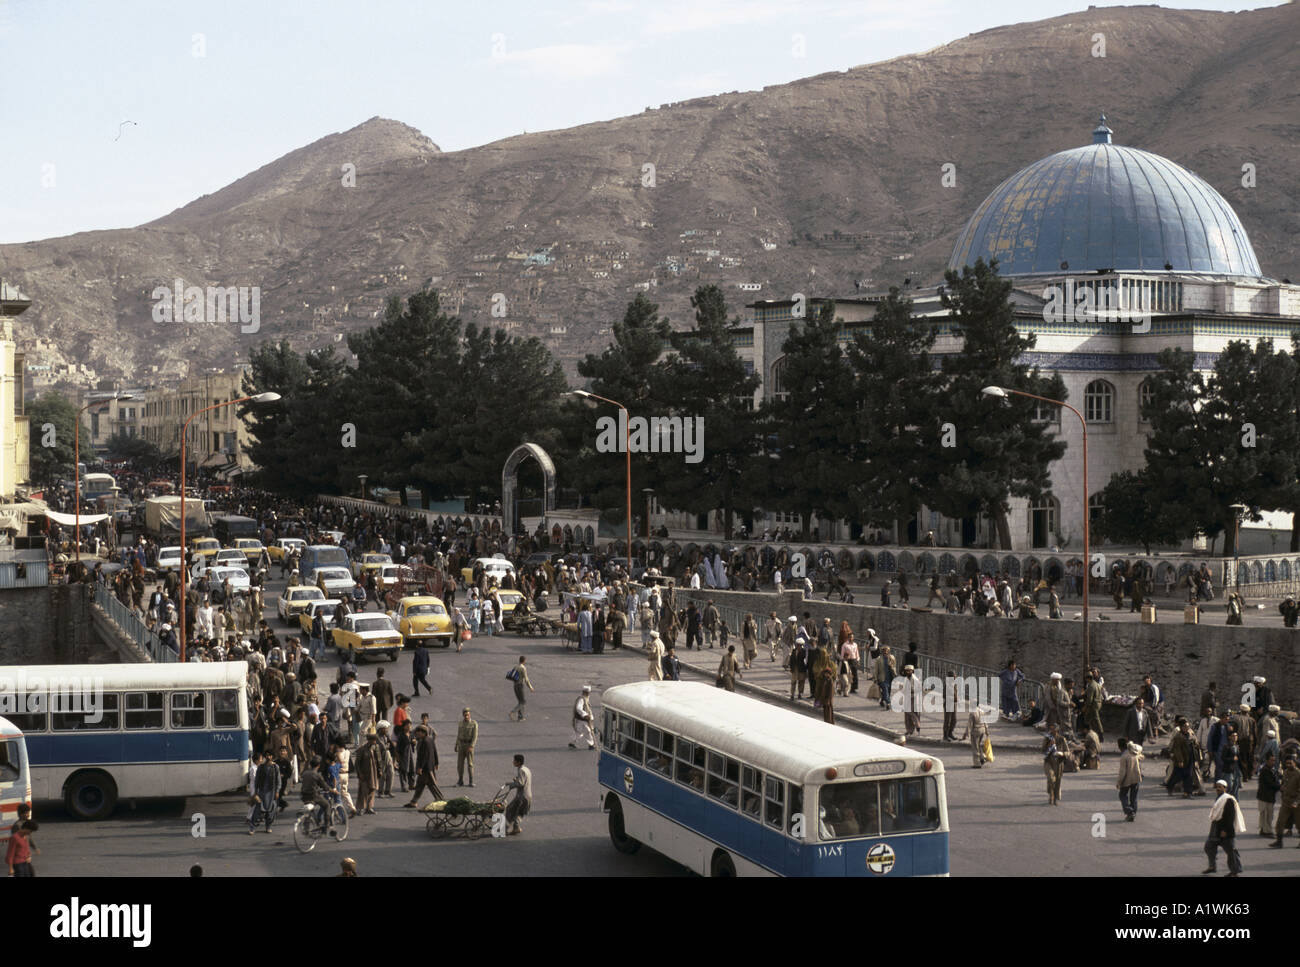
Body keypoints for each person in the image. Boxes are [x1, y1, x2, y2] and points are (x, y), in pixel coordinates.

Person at [1203, 779, 1245, 876]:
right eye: (1217, 787)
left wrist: (1225, 830)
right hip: (1216, 829)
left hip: (1225, 831)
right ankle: (1212, 866)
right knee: (1209, 846)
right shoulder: (1219, 798)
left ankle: (1235, 871)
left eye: (1220, 787)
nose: (1218, 788)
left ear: (1225, 788)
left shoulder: (1228, 799)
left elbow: (1229, 817)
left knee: (1231, 852)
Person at [403, 724, 443, 807]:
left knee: (431, 784)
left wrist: (420, 767)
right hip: (428, 766)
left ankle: (440, 799)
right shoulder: (429, 739)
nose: (417, 734)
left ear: (423, 733)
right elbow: (435, 751)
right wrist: (436, 763)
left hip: (426, 768)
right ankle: (413, 802)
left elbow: (425, 756)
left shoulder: (425, 741)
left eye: (418, 732)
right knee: (420, 785)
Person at [1269, 757, 1300, 849]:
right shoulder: (1285, 772)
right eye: (1287, 763)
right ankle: (1279, 841)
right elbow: (1283, 784)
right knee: (1280, 822)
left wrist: (1297, 801)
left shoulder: (1298, 774)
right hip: (1286, 801)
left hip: (1296, 802)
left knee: (1299, 823)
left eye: (1290, 763)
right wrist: (1282, 789)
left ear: (1295, 763)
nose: (1288, 765)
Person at [248, 750, 280, 834]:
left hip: (272, 792)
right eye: (267, 755)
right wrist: (255, 793)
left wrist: (277, 791)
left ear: (272, 756)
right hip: (261, 792)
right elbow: (257, 781)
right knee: (258, 811)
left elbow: (278, 781)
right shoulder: (261, 767)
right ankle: (252, 828)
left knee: (271, 811)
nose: (268, 757)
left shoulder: (275, 767)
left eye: (270, 755)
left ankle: (268, 826)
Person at [354, 728, 383, 815]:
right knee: (363, 791)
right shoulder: (362, 750)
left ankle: (369, 807)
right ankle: (361, 808)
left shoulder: (376, 748)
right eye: (374, 740)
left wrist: (380, 770)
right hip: (364, 774)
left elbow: (379, 761)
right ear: (370, 740)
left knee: (372, 790)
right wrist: (360, 774)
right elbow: (357, 763)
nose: (375, 742)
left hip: (374, 773)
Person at [1167, 719, 1196, 798]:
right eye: (1185, 726)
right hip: (1182, 759)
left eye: (1188, 726)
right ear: (1180, 727)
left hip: (1190, 758)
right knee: (1177, 775)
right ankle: (1170, 786)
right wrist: (1180, 760)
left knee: (1189, 775)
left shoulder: (1190, 734)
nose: (1187, 728)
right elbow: (1177, 750)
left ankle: (1187, 792)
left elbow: (1194, 744)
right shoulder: (1178, 737)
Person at [505, 754, 533, 835]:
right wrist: (515, 780)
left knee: (510, 810)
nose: (513, 762)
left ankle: (512, 826)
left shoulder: (521, 770)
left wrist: (511, 785)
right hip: (527, 795)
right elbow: (523, 780)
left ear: (518, 762)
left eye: (514, 761)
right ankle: (516, 828)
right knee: (519, 812)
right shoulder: (526, 769)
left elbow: (521, 783)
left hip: (522, 796)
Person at [1116, 742, 1143, 822]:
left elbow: (1122, 772)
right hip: (1136, 778)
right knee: (1133, 797)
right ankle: (1133, 813)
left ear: (1120, 748)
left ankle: (1129, 811)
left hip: (1127, 780)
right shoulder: (1135, 753)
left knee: (1122, 795)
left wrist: (1119, 783)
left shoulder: (1124, 757)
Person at [1256, 752, 1281, 836]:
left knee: (1268, 814)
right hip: (1264, 796)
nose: (1273, 762)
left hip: (1269, 796)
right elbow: (1270, 783)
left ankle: (1264, 830)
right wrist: (1280, 787)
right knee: (1266, 815)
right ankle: (1267, 831)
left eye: (1274, 760)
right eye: (1271, 760)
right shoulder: (1265, 770)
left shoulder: (1272, 770)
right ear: (1267, 761)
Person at [1043, 725, 1067, 805]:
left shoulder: (1061, 739)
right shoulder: (1047, 738)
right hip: (1049, 762)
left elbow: (1068, 752)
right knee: (1050, 778)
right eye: (1051, 729)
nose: (1051, 730)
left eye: (1053, 729)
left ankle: (1055, 798)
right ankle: (1051, 795)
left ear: (1057, 730)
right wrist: (1049, 744)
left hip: (1058, 763)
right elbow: (1042, 750)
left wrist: (1062, 753)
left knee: (1057, 781)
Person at [962, 698, 989, 768]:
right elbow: (985, 722)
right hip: (982, 730)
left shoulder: (972, 713)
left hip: (976, 731)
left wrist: (966, 734)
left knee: (975, 747)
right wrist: (986, 731)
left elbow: (969, 724)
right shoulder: (982, 711)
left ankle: (977, 763)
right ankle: (982, 757)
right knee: (979, 745)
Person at [455, 707, 478, 786]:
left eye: (467, 715)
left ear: (469, 714)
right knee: (460, 765)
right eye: (465, 715)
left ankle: (471, 781)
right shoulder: (460, 723)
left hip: (469, 745)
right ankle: (460, 780)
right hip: (461, 745)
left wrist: (471, 746)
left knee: (470, 764)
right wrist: (456, 744)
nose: (466, 716)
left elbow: (475, 736)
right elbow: (458, 735)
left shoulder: (474, 723)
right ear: (463, 715)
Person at [508, 655, 534, 721]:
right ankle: (512, 712)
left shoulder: (515, 666)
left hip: (515, 686)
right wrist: (530, 687)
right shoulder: (523, 668)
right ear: (524, 661)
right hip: (520, 686)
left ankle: (521, 717)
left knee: (520, 701)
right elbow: (526, 679)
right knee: (523, 702)